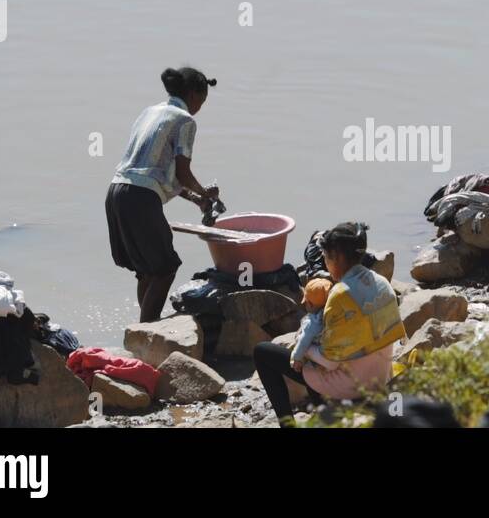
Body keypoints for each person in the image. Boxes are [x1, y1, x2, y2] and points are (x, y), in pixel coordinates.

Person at [254, 222, 406, 426]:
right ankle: (322, 411)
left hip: (354, 386)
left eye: (325, 257)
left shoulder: (340, 295)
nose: (324, 262)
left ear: (338, 257)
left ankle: (287, 424)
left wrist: (304, 348)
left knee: (263, 352)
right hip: (380, 377)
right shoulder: (381, 282)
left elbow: (329, 361)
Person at [105, 66, 220, 322]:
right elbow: (183, 172)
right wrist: (206, 193)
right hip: (140, 198)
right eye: (201, 101)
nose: (199, 107)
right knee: (166, 268)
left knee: (147, 270)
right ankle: (149, 331)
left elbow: (155, 172)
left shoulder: (150, 112)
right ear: (193, 95)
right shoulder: (185, 120)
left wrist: (196, 199)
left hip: (117, 192)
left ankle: (144, 327)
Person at [290, 278, 331, 367]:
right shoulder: (330, 312)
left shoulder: (314, 323)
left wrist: (296, 358)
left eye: (306, 303)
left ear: (311, 304)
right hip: (330, 345)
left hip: (316, 346)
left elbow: (304, 341)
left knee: (299, 341)